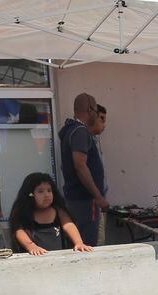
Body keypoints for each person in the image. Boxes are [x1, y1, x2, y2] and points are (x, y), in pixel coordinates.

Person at [58, 93, 108, 247]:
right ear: (89, 109)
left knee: (81, 244)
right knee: (88, 245)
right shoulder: (80, 131)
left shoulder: (70, 129)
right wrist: (98, 196)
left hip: (76, 199)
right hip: (85, 200)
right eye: (95, 111)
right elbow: (80, 166)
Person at [9, 172, 94, 255]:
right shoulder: (24, 215)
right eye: (40, 191)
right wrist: (31, 247)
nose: (46, 195)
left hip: (59, 257)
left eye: (49, 191)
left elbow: (69, 225)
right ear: (30, 195)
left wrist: (79, 242)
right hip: (35, 258)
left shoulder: (58, 211)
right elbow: (19, 232)